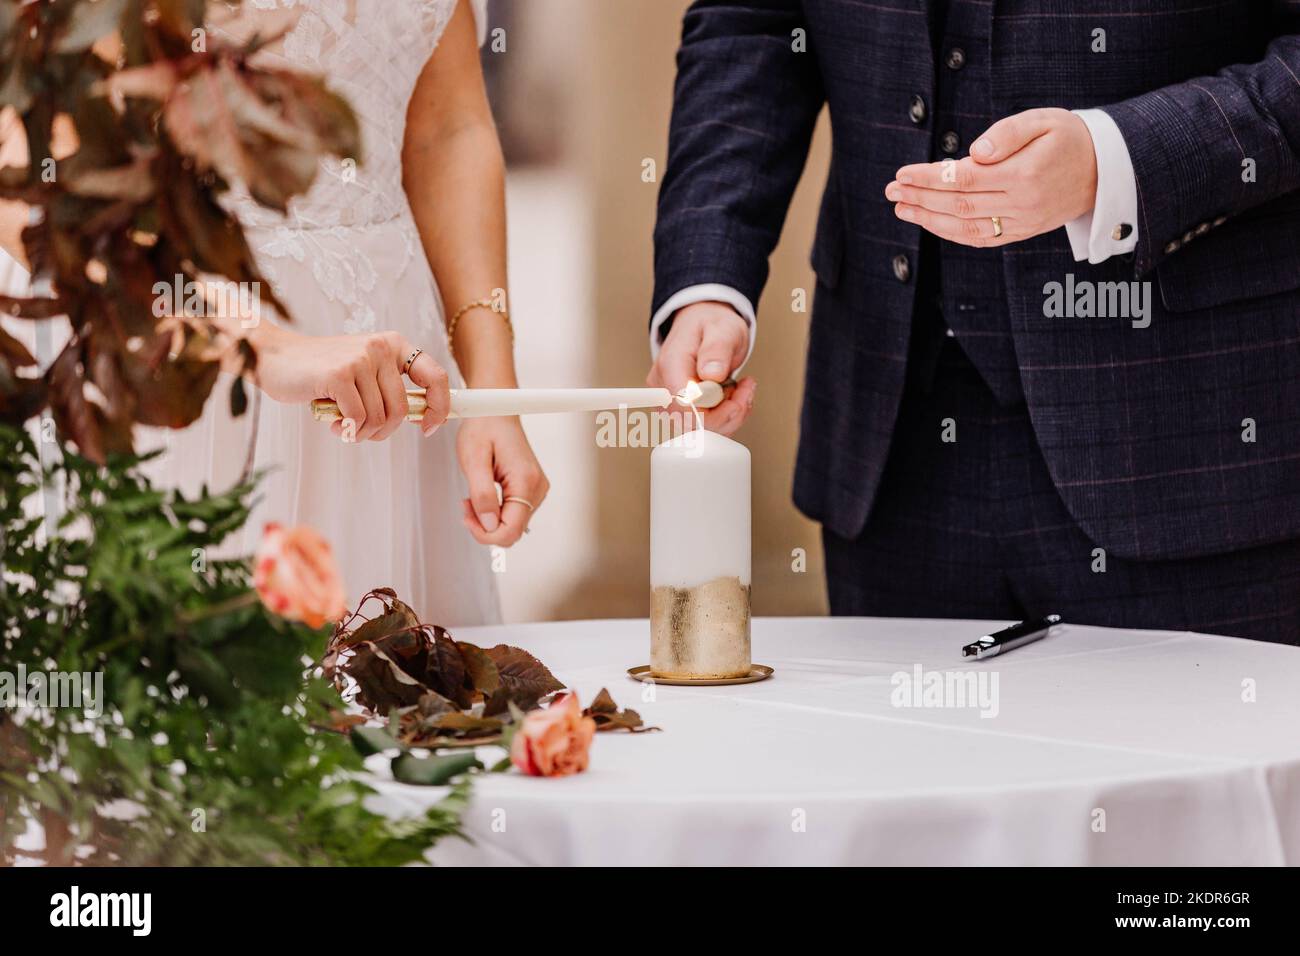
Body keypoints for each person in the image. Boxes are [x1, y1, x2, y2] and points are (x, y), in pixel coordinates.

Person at [648, 0, 1300, 644]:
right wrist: (710, 281)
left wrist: (1121, 158)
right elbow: (752, 22)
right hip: (891, 455)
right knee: (908, 752)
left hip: (1199, 446)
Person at [1, 0, 546, 625]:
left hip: (393, 375)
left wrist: (494, 391)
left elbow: (448, 129)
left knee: (395, 696)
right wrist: (261, 344)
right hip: (172, 349)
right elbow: (27, 149)